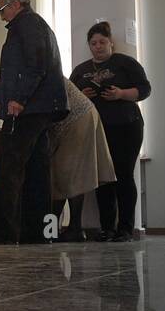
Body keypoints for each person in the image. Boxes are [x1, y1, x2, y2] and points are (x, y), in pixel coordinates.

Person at [0, 0, 68, 243]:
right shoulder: (38, 25)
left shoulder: (26, 25)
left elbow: (35, 65)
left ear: (15, 5)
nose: (2, 18)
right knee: (37, 171)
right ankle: (37, 233)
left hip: (27, 109)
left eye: (2, 10)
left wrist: (18, 99)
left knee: (9, 167)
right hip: (40, 110)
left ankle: (7, 233)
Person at [70, 21, 150, 241]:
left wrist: (121, 94)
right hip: (96, 129)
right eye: (93, 43)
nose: (98, 46)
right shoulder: (81, 70)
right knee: (103, 178)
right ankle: (107, 228)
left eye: (102, 42)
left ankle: (125, 228)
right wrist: (82, 97)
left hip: (127, 126)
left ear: (111, 43)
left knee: (123, 175)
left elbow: (145, 89)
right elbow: (68, 98)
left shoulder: (126, 63)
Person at [47, 80, 117, 242]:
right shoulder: (39, 72)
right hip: (83, 115)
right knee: (68, 175)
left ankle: (55, 231)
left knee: (62, 175)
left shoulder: (31, 79)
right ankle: (64, 229)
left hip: (75, 119)